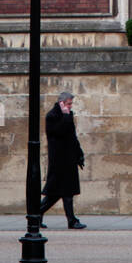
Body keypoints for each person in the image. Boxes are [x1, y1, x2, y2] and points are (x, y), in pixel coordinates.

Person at [39, 91, 86, 229]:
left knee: (61, 193)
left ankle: (37, 214)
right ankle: (71, 220)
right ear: (61, 103)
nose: (70, 106)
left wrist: (79, 154)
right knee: (63, 192)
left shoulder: (68, 115)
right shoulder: (52, 116)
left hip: (69, 159)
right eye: (69, 104)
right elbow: (58, 132)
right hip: (59, 160)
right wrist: (65, 116)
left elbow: (72, 136)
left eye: (71, 104)